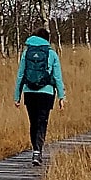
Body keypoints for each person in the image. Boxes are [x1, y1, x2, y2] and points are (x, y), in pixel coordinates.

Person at [14, 24, 65, 164]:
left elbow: (20, 75)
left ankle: (35, 150)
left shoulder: (26, 53)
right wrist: (61, 96)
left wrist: (17, 96)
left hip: (29, 92)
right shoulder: (52, 54)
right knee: (42, 121)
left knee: (33, 122)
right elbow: (57, 77)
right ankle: (38, 152)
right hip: (46, 93)